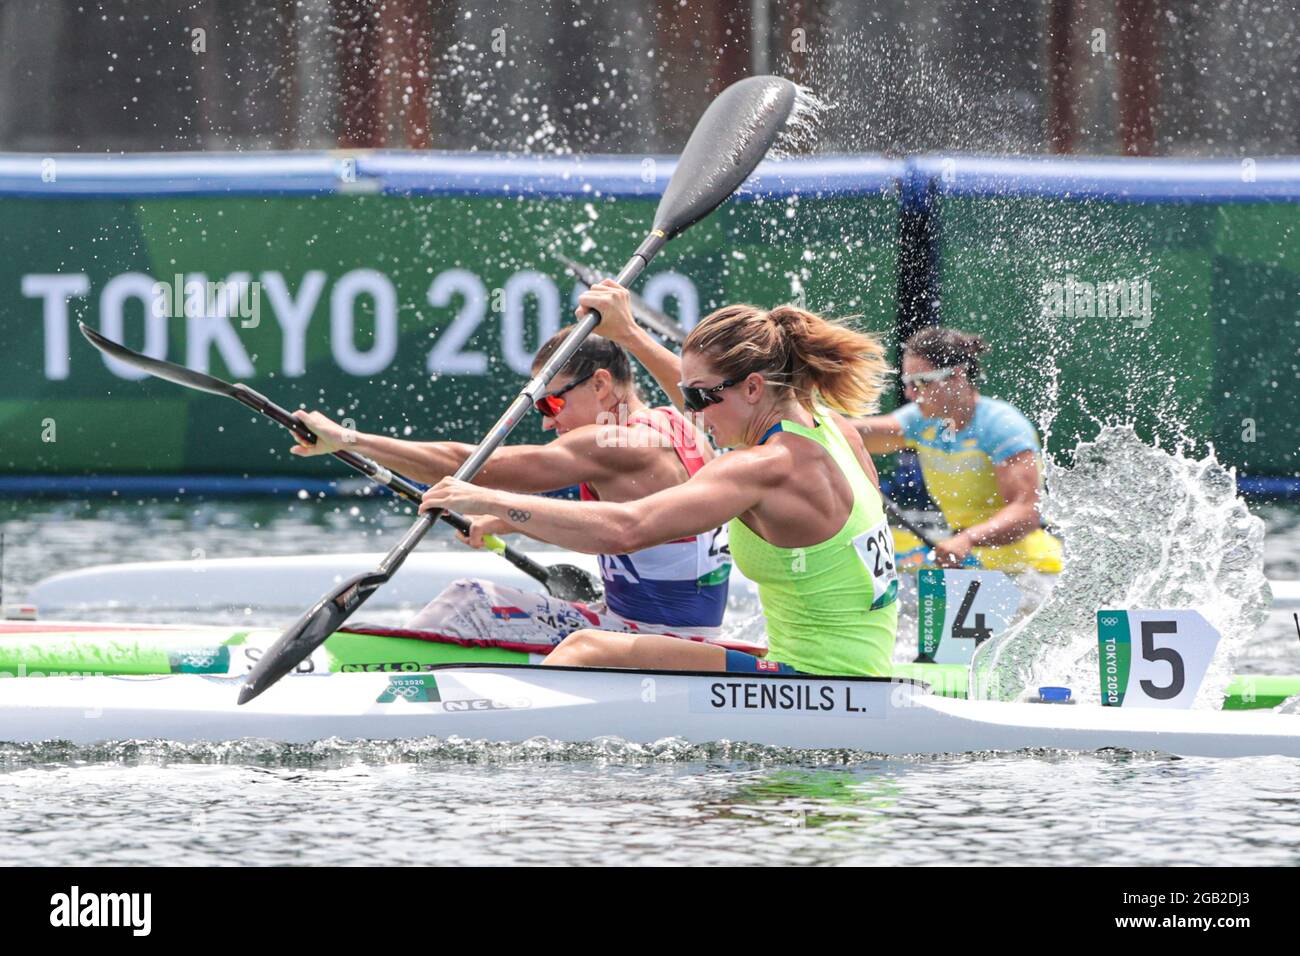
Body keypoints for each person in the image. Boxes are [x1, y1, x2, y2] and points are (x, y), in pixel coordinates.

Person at [420, 285, 899, 677]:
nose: (692, 413)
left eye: (700, 398)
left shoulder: (761, 468)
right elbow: (710, 395)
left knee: (587, 647)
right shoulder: (833, 431)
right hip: (860, 673)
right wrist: (629, 333)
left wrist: (491, 500)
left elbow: (627, 528)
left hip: (812, 682)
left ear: (754, 388)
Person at [289, 326, 731, 646]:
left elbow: (469, 464)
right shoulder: (682, 425)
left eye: (552, 401)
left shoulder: (616, 441)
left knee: (471, 600)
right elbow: (638, 525)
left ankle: (385, 671)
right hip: (690, 632)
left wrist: (347, 439)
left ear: (600, 384)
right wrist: (507, 521)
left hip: (649, 637)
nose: (545, 419)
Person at [852, 326, 1063, 573]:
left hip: (1030, 569)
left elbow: (1026, 512)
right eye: (907, 383)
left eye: (921, 382)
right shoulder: (922, 421)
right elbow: (854, 435)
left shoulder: (1002, 426)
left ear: (957, 375)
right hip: (966, 561)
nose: (910, 394)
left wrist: (968, 539)